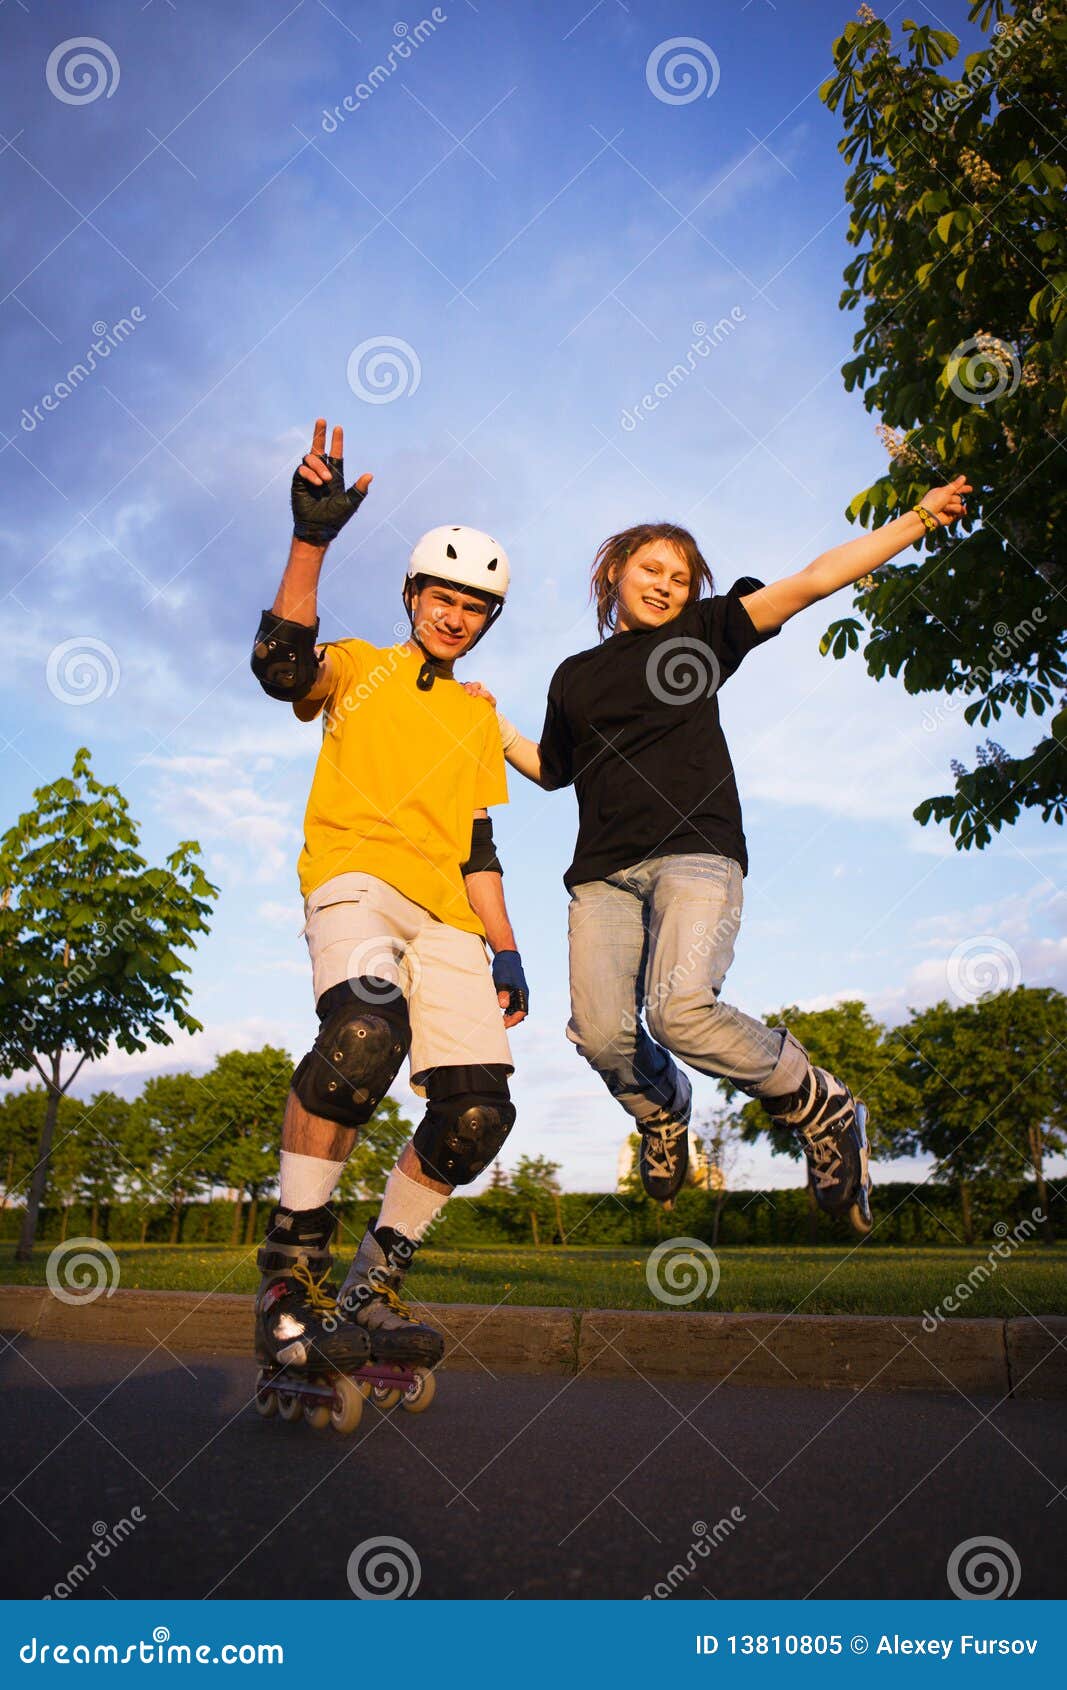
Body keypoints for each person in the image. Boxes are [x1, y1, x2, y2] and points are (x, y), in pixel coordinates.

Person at [480, 476, 971, 1233]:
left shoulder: (705, 633)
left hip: (696, 852)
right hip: (602, 873)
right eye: (652, 569)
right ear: (613, 572)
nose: (666, 585)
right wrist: (492, 725)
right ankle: (661, 1107)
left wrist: (918, 519)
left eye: (680, 578)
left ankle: (819, 1102)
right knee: (600, 1032)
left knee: (677, 1010)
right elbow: (553, 770)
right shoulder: (573, 675)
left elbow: (813, 579)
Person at [250, 417, 528, 1381]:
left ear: (489, 620)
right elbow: (281, 668)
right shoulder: (361, 667)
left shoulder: (478, 714)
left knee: (478, 1114)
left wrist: (505, 947)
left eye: (474, 608)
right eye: (442, 597)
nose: (455, 617)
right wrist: (309, 540)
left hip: (450, 914)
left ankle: (371, 1284)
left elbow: (481, 844)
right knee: (365, 1036)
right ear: (412, 594)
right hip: (356, 883)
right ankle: (291, 1272)